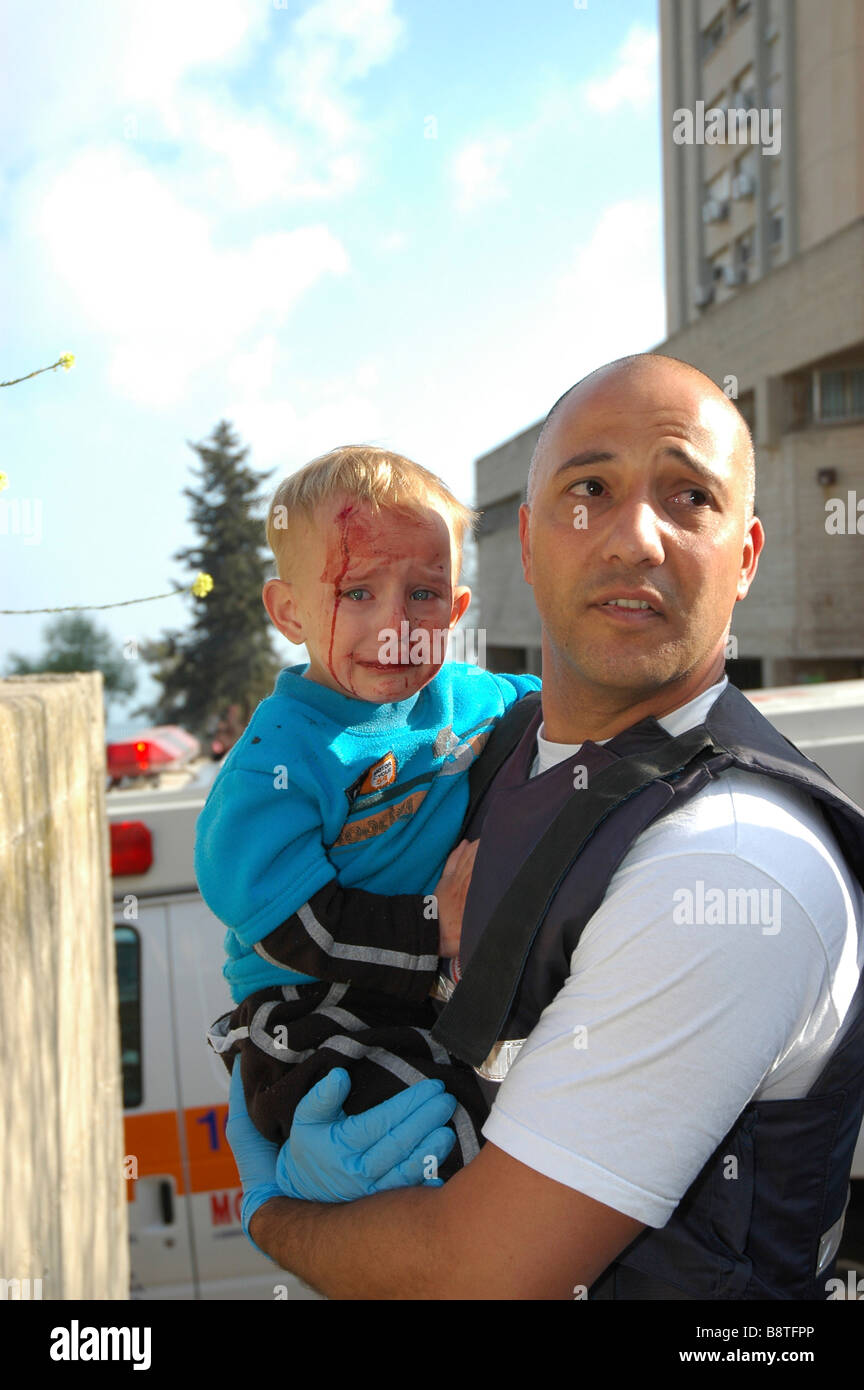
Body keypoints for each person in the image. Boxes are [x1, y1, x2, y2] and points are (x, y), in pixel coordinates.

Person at [226, 355, 864, 1300]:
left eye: (689, 495)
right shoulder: (498, 747)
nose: (634, 538)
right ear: (528, 544)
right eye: (590, 490)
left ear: (746, 557)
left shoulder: (731, 864)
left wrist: (273, 1212)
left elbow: (474, 1274)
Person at [194, 444, 541, 1184]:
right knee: (446, 1130)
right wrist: (433, 927)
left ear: (456, 609)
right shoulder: (276, 763)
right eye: (356, 593)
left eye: (423, 595)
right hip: (306, 1010)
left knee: (518, 1117)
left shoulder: (466, 699)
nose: (396, 625)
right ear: (289, 611)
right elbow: (298, 927)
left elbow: (556, 709)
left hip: (417, 998)